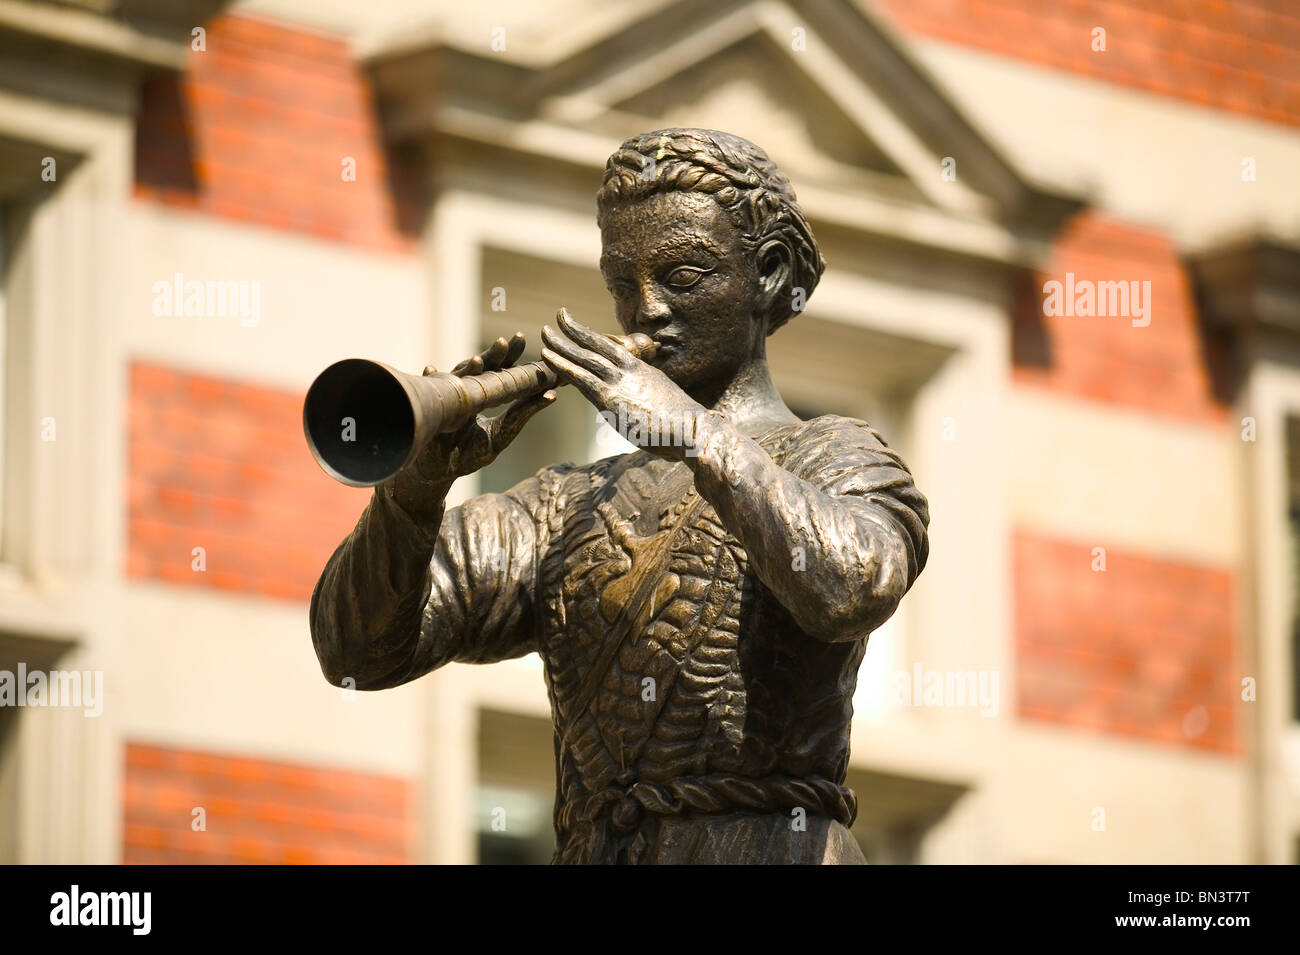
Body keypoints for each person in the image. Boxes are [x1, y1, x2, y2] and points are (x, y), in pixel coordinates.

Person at [310, 128, 929, 864]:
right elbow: (356, 652)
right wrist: (414, 489)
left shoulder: (835, 454)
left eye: (683, 275)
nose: (646, 310)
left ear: (766, 274)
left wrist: (693, 434)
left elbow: (855, 584)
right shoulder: (560, 507)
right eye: (621, 284)